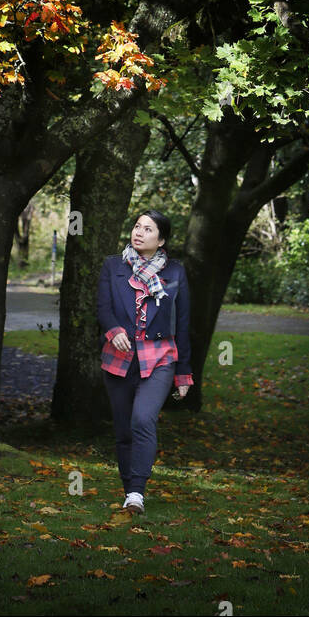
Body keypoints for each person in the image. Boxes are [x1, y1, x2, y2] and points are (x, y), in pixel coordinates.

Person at [97, 209, 193, 515]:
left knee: (142, 420)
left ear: (161, 239)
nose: (139, 232)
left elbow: (183, 322)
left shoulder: (176, 272)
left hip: (160, 358)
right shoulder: (113, 266)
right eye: (137, 226)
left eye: (148, 229)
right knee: (124, 430)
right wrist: (113, 330)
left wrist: (184, 374)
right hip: (120, 358)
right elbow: (103, 306)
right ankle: (130, 491)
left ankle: (137, 492)